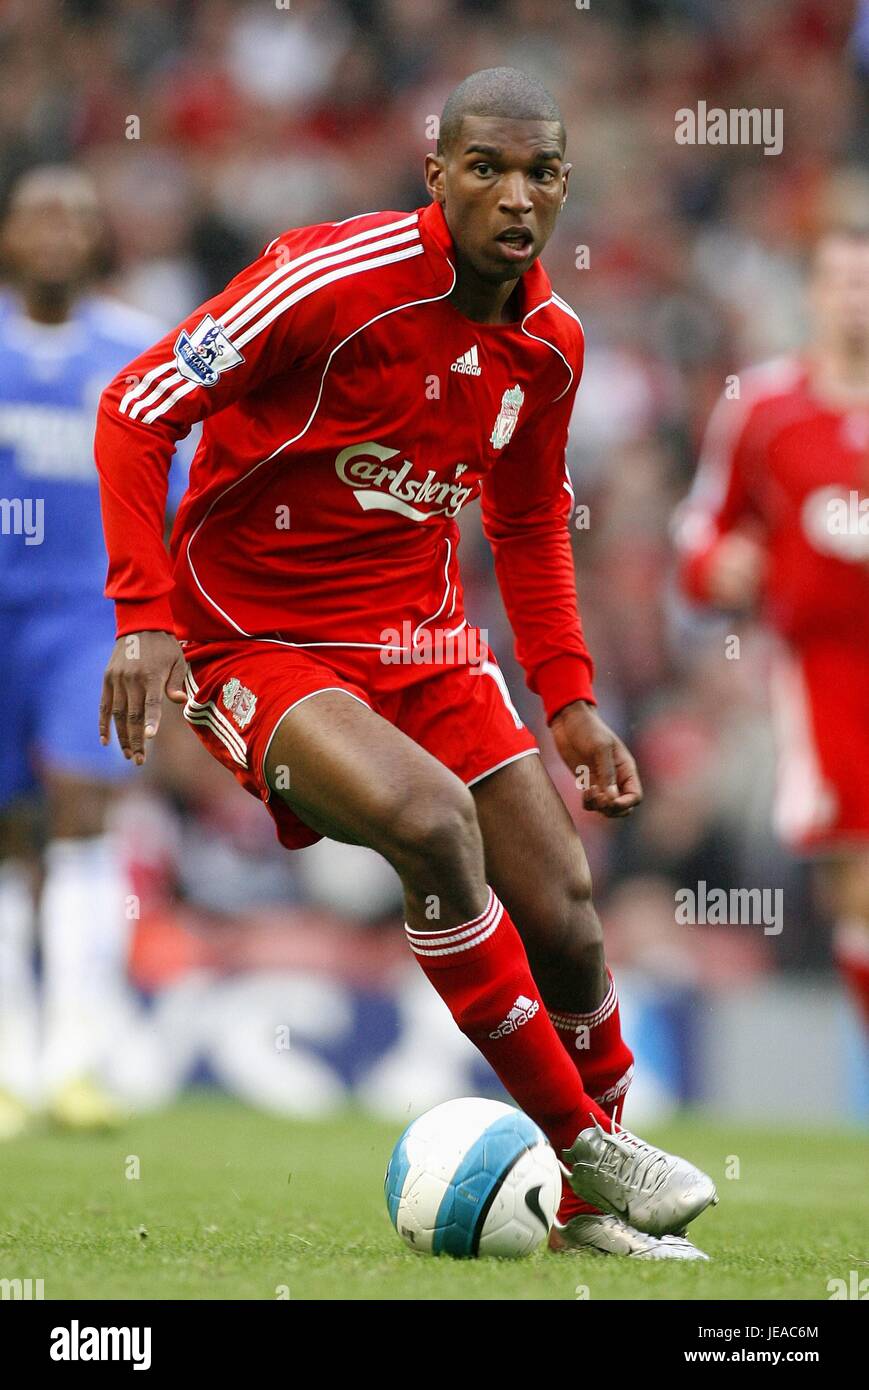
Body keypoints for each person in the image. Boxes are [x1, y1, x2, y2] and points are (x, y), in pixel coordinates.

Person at [96, 67, 716, 1258]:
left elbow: (530, 522)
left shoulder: (551, 344)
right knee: (432, 825)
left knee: (568, 912)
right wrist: (142, 616)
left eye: (539, 173)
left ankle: (590, 1213)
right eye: (484, 169)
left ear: (565, 186)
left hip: (422, 644)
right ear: (435, 175)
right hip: (254, 639)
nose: (513, 196)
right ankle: (586, 1140)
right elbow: (137, 408)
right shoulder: (330, 280)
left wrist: (572, 698)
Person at [0, 167, 177, 1135]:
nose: (57, 233)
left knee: (79, 799)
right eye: (37, 217)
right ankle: (10, 1062)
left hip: (87, 617)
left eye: (76, 215)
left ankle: (76, 1058)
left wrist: (164, 626)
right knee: (6, 832)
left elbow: (178, 494)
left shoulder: (133, 349)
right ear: (8, 238)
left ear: (98, 238)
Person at [677, 226, 869, 1029]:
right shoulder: (763, 408)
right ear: (813, 293)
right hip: (822, 670)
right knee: (858, 869)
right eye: (840, 280)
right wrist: (715, 566)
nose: (855, 298)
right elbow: (700, 528)